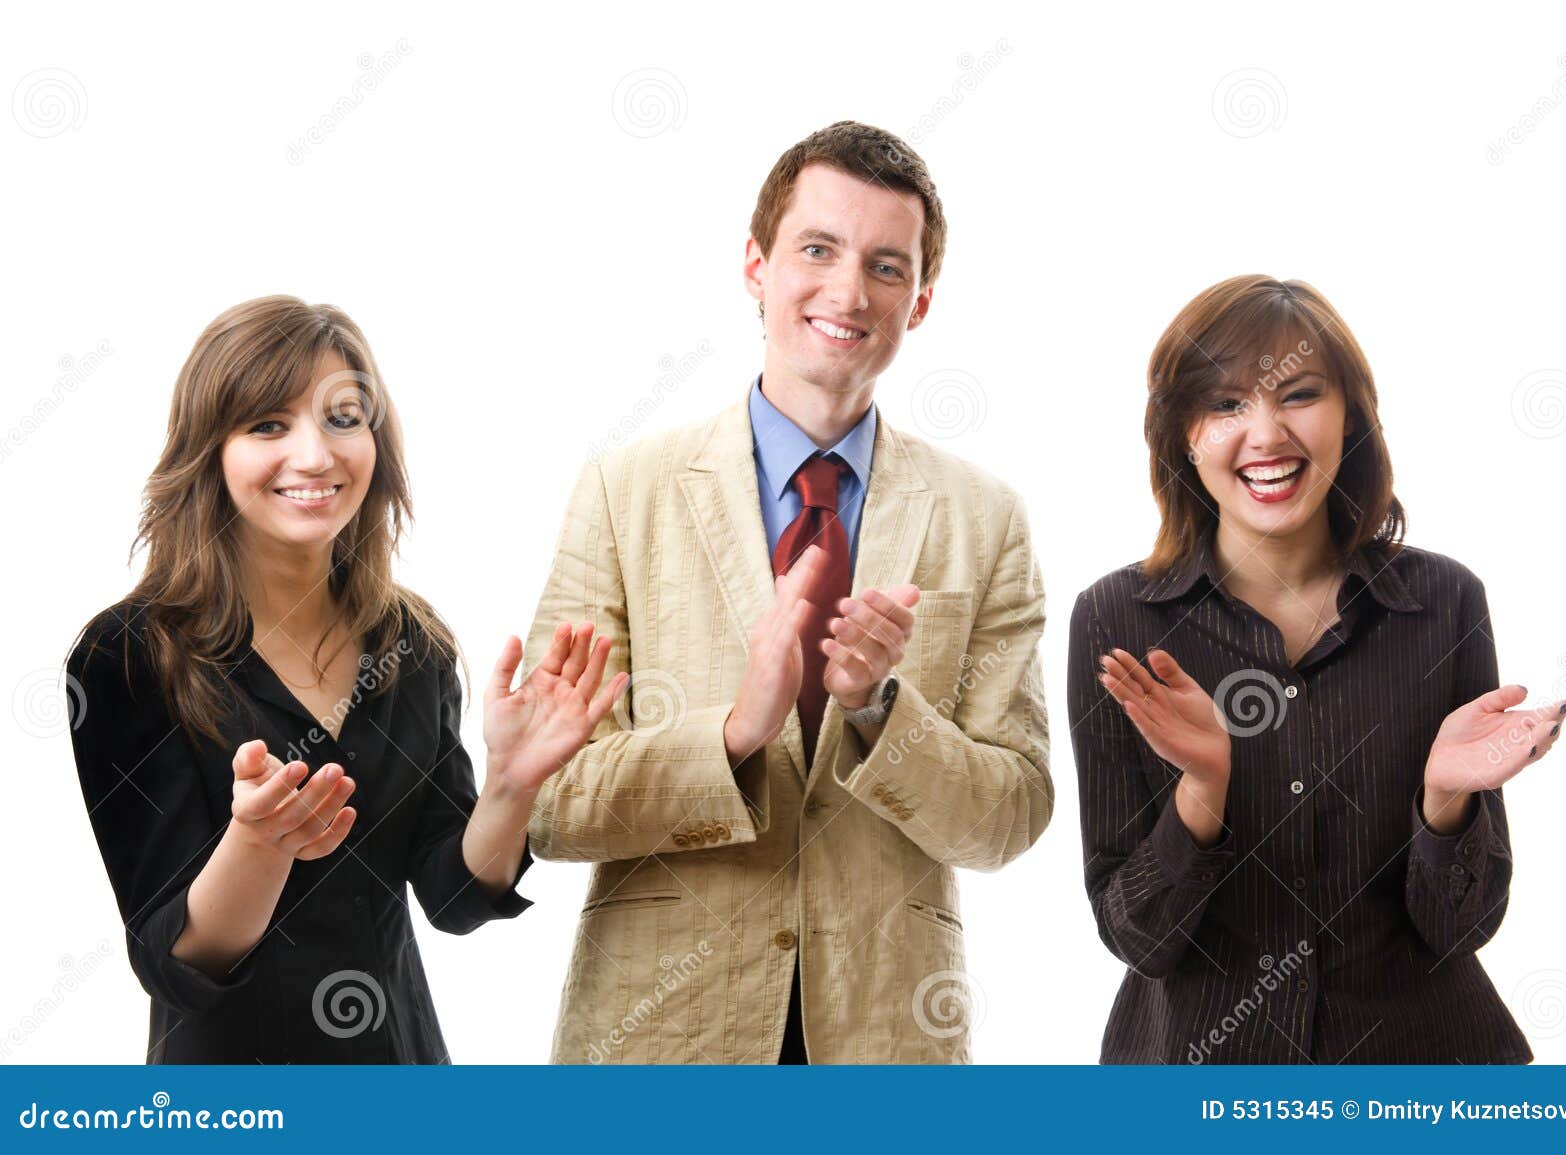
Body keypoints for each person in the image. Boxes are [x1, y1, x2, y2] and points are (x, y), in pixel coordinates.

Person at [524, 121, 1052, 1064]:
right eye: (818, 249)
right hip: (661, 1041)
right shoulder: (623, 491)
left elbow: (1010, 815)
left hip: (888, 1041)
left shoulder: (987, 517)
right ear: (756, 265)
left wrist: (881, 708)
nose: (849, 292)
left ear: (921, 302)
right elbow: (550, 799)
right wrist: (734, 734)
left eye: (887, 266)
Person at [66, 295, 626, 1063]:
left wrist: (513, 783)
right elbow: (178, 960)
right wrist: (258, 843)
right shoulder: (128, 656)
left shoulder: (412, 643)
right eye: (268, 424)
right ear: (210, 451)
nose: (316, 455)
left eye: (342, 417)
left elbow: (453, 896)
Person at [1067, 274, 1566, 1063]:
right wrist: (1202, 793)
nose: (1266, 434)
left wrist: (1445, 802)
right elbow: (1138, 937)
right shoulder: (1116, 620)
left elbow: (1463, 926)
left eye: (1300, 394)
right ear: (1182, 435)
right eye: (1227, 404)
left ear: (1351, 418)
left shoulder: (1443, 602)